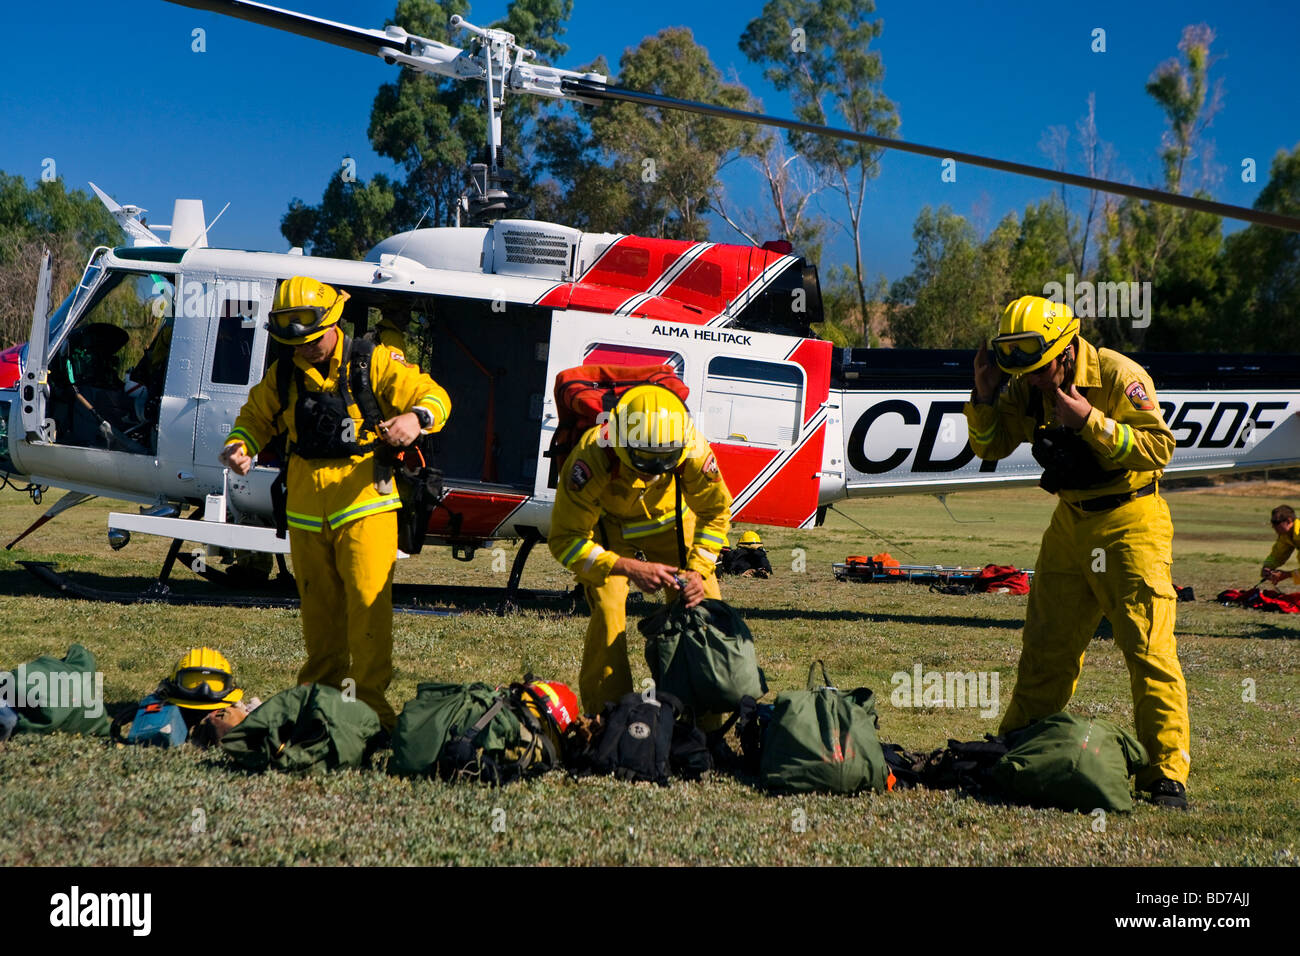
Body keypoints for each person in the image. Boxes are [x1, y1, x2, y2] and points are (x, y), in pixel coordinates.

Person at [964, 294, 1191, 809]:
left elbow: (1159, 449)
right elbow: (989, 445)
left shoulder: (1117, 375)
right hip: (1070, 523)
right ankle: (1019, 748)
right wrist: (984, 395)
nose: (1033, 381)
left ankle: (1165, 774)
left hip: (1131, 521)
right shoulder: (1024, 384)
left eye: (1041, 369)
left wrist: (1090, 420)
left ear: (1067, 350)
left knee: (1148, 651)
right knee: (1046, 647)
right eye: (1022, 372)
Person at [218, 276, 450, 730]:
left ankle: (370, 713)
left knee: (367, 606)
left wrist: (415, 418)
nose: (304, 349)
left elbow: (434, 397)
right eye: (294, 343)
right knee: (319, 614)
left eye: (311, 339)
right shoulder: (284, 373)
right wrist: (240, 445)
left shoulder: (372, 361)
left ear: (334, 321)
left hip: (366, 505)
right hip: (306, 514)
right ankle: (320, 705)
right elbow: (255, 417)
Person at [549, 385, 732, 713]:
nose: (653, 475)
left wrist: (698, 571)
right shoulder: (591, 457)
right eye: (643, 465)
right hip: (611, 533)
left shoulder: (692, 448)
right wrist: (625, 567)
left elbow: (715, 512)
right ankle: (609, 716)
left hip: (672, 527)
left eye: (664, 464)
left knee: (703, 605)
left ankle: (704, 718)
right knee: (608, 612)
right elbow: (566, 540)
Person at [1261, 505, 1300, 586]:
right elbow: (1278, 554)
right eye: (1272, 522)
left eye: (1276, 522)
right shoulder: (1286, 536)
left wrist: (1287, 575)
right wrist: (1267, 567)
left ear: (1289, 521)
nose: (1273, 526)